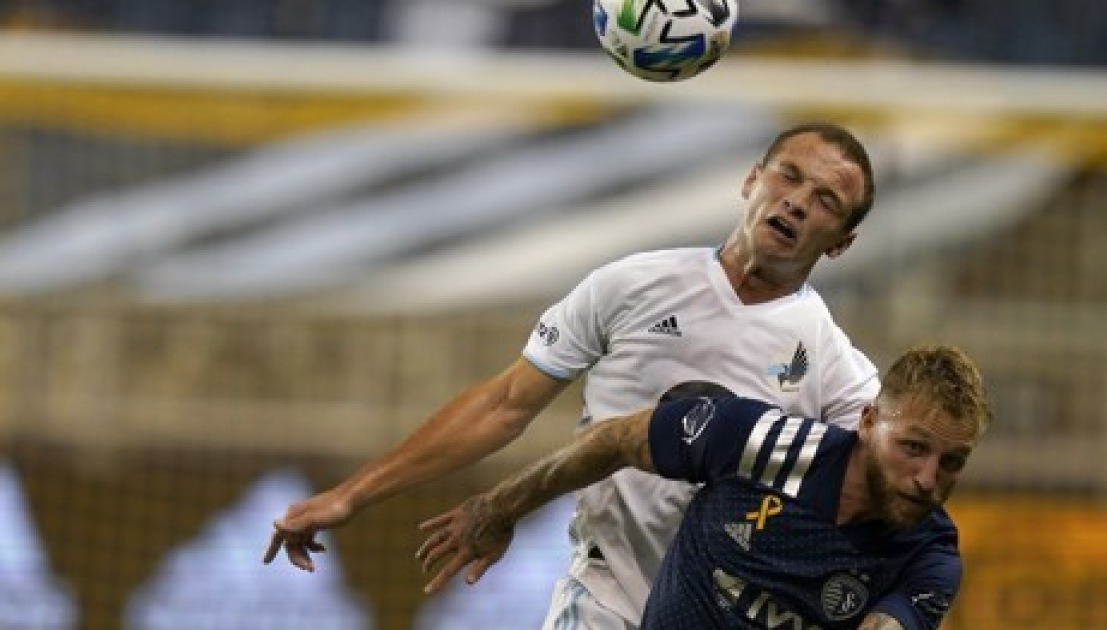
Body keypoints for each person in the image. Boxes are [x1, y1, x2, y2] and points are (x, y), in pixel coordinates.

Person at [263, 122, 880, 628]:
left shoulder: (837, 369)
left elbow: (895, 498)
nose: (797, 202)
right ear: (751, 180)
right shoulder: (632, 285)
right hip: (606, 594)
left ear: (841, 243)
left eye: (826, 201)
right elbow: (504, 404)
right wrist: (351, 494)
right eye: (788, 176)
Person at [416, 346, 992, 630]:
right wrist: (500, 506)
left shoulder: (930, 558)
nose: (928, 479)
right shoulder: (758, 440)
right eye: (913, 448)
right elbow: (616, 439)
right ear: (867, 423)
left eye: (953, 463)